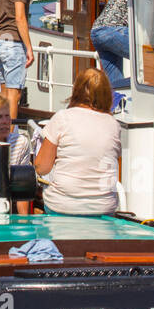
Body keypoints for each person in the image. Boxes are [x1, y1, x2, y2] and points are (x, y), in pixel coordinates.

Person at [34, 68, 121, 215]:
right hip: (102, 207)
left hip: (63, 205)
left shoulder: (62, 118)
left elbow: (41, 167)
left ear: (77, 90)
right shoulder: (114, 125)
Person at [90, 0, 130, 92]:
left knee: (114, 81)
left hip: (96, 31)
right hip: (113, 30)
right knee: (147, 59)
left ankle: (117, 106)